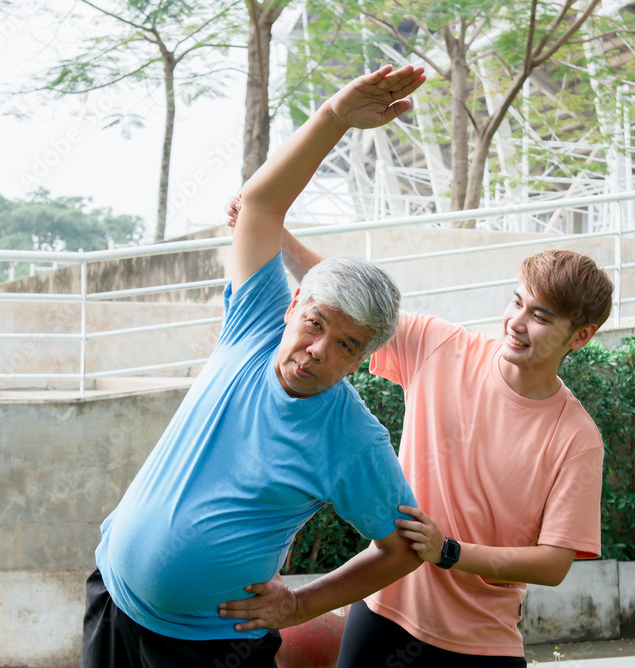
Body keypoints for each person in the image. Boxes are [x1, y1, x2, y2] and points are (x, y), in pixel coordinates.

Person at [81, 64, 427, 668]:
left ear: (362, 361)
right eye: (316, 324)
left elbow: (402, 549)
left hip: (210, 650)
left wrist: (303, 605)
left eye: (346, 346)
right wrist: (333, 118)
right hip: (114, 600)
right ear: (294, 306)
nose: (319, 349)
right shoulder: (253, 328)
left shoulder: (352, 438)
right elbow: (260, 204)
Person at [219, 203, 612, 666]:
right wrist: (270, 225)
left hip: (482, 643)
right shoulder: (440, 347)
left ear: (581, 336)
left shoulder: (576, 437)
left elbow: (553, 563)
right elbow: (346, 297)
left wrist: (450, 552)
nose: (517, 322)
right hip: (382, 614)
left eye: (540, 317)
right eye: (516, 301)